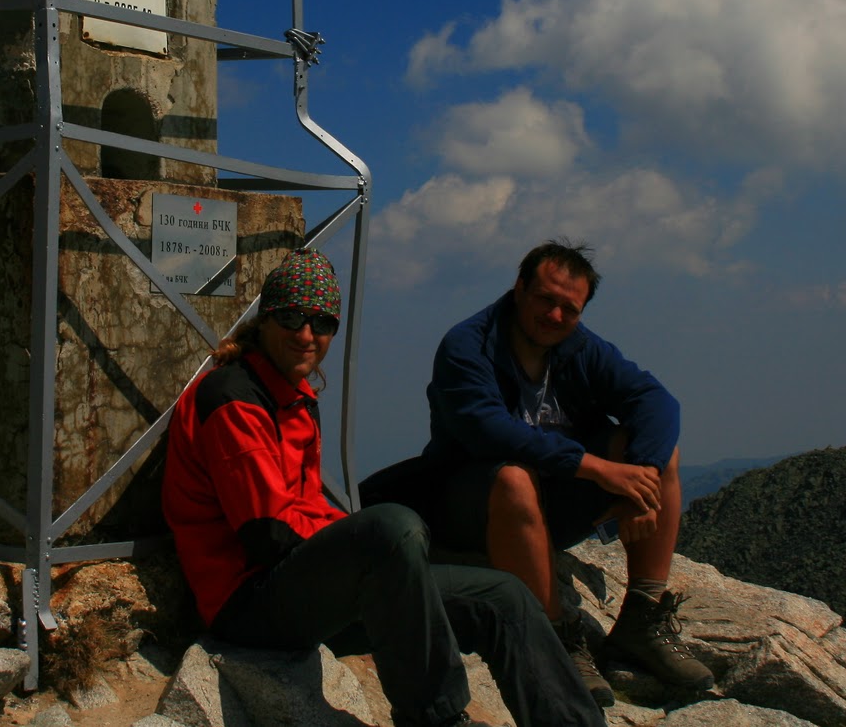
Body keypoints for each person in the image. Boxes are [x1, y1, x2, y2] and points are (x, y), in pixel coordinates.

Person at [162, 248, 605, 727]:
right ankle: (436, 718)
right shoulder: (234, 399)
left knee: (507, 599)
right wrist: (380, 559)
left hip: (303, 587)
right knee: (393, 526)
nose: (307, 335)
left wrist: (390, 568)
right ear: (266, 318)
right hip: (247, 605)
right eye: (291, 318)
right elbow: (267, 535)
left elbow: (305, 508)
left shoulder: (294, 394)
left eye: (322, 322)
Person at [409, 239, 714, 699]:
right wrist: (594, 468)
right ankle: (557, 638)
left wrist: (639, 483)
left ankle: (641, 619)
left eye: (568, 309)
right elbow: (488, 431)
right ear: (519, 288)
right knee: (513, 476)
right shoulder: (467, 346)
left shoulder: (580, 348)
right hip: (470, 507)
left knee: (658, 454)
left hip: (551, 503)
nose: (554, 316)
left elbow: (656, 401)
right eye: (545, 300)